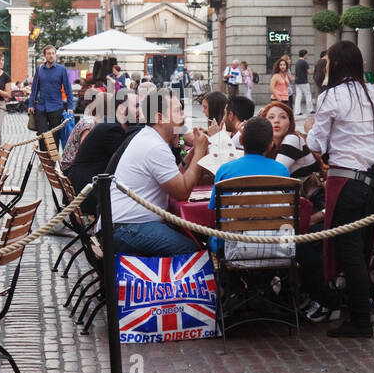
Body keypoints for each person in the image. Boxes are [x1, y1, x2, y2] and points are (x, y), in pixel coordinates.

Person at [306, 41, 374, 338]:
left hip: (346, 181)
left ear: (336, 64)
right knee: (360, 250)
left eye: (328, 61)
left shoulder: (330, 96)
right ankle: (358, 310)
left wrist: (313, 131)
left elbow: (315, 145)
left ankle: (360, 320)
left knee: (350, 252)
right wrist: (370, 151)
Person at [109, 90, 209, 256]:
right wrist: (199, 151)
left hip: (126, 224)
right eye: (178, 111)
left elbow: (173, 179)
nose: (184, 116)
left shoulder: (151, 138)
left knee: (191, 235)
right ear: (159, 118)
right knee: (192, 250)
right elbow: (182, 192)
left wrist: (190, 156)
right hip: (127, 228)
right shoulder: (154, 146)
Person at [208, 116, 290, 257]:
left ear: (240, 141)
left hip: (233, 247)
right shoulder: (281, 171)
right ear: (271, 144)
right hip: (277, 247)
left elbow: (213, 210)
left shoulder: (225, 170)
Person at [69, 89, 137, 213]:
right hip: (88, 191)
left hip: (83, 186)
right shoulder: (112, 129)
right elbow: (128, 162)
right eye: (136, 106)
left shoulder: (111, 124)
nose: (140, 112)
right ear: (122, 109)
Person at [28, 46, 73, 149]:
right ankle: (44, 159)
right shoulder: (39, 70)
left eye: (53, 53)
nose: (51, 55)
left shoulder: (62, 69)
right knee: (42, 134)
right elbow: (34, 88)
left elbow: (68, 89)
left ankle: (53, 160)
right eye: (48, 53)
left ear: (55, 54)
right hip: (41, 107)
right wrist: (31, 104)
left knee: (55, 135)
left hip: (56, 107)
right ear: (44, 56)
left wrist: (70, 106)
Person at [260, 101, 318, 180]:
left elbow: (275, 174)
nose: (276, 121)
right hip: (289, 190)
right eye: (271, 117)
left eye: (283, 117)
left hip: (305, 191)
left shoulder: (292, 139)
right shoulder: (271, 145)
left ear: (290, 123)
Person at [293, 50, 312, 115]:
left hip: (297, 81)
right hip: (304, 81)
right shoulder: (304, 62)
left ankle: (297, 111)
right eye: (307, 54)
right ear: (304, 55)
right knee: (308, 95)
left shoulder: (297, 62)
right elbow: (309, 72)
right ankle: (310, 110)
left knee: (298, 96)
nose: (307, 56)